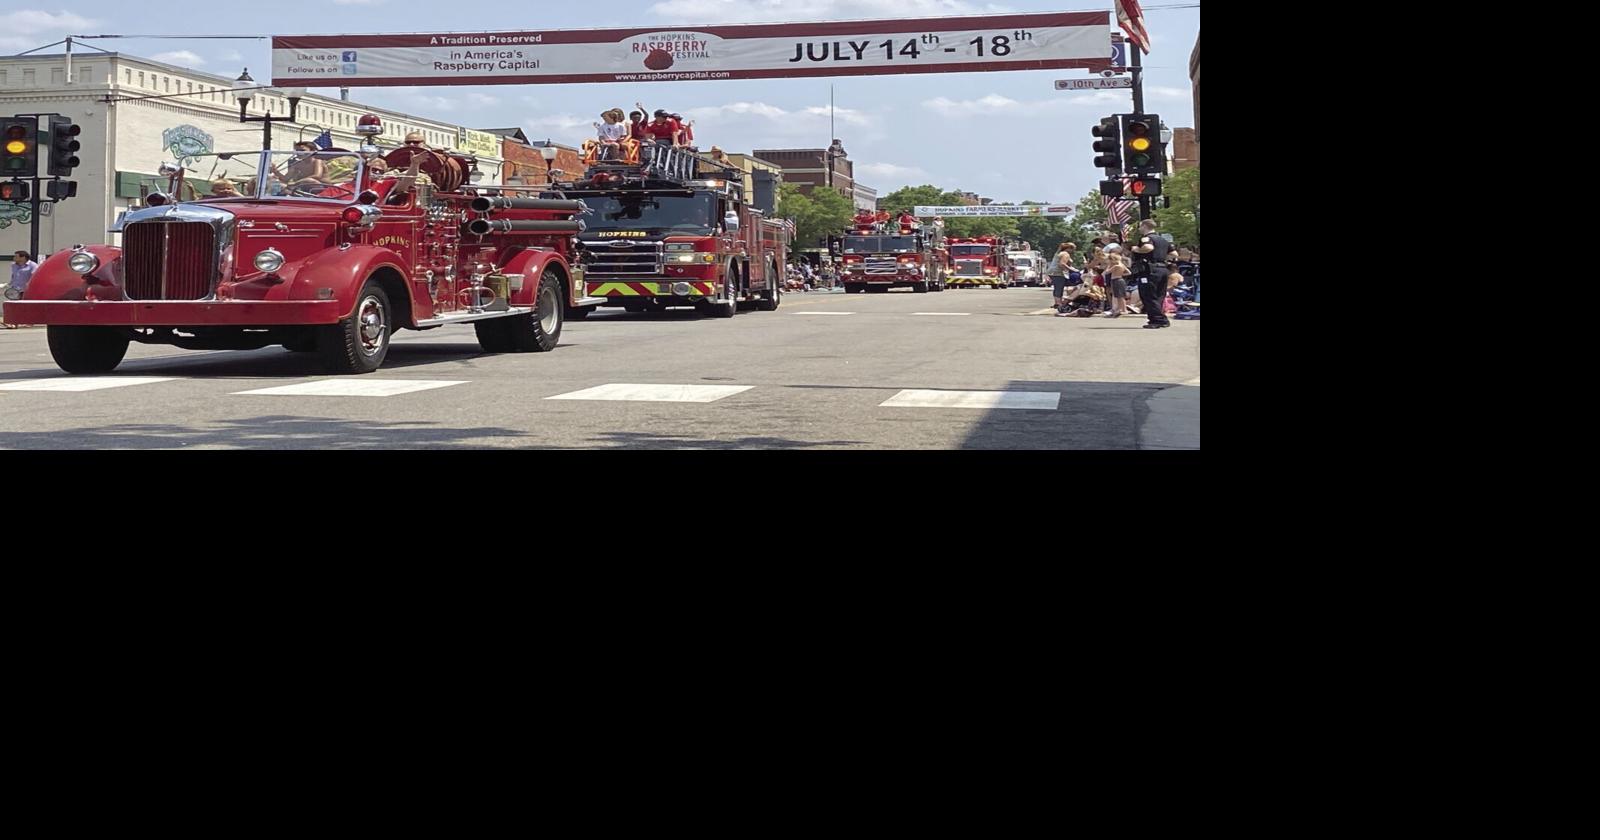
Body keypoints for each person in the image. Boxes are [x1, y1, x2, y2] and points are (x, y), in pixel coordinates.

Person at [1130, 219, 1173, 328]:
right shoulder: (1163, 240)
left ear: (1145, 226)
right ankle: (1161, 319)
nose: (1139, 229)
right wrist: (1160, 257)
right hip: (1163, 269)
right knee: (1159, 295)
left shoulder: (1146, 238)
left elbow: (1148, 248)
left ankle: (1157, 320)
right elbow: (1174, 254)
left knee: (1148, 295)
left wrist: (1137, 249)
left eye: (1140, 226)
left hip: (1150, 270)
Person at [4, 250, 38, 327]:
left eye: (16, 256)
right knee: (14, 306)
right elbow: (14, 276)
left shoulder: (33, 265)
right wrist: (9, 284)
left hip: (26, 290)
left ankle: (29, 322)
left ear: (23, 257)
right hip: (15, 290)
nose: (14, 258)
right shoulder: (14, 265)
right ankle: (14, 323)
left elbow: (34, 277)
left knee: (26, 306)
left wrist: (29, 286)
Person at [1048, 243, 1077, 313]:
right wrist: (1071, 270)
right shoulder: (1065, 254)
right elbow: (1062, 264)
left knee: (1056, 287)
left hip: (1051, 272)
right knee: (1059, 287)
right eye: (1073, 249)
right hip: (1058, 272)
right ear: (1069, 248)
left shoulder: (1059, 252)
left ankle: (1057, 302)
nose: (1073, 251)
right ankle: (1059, 303)